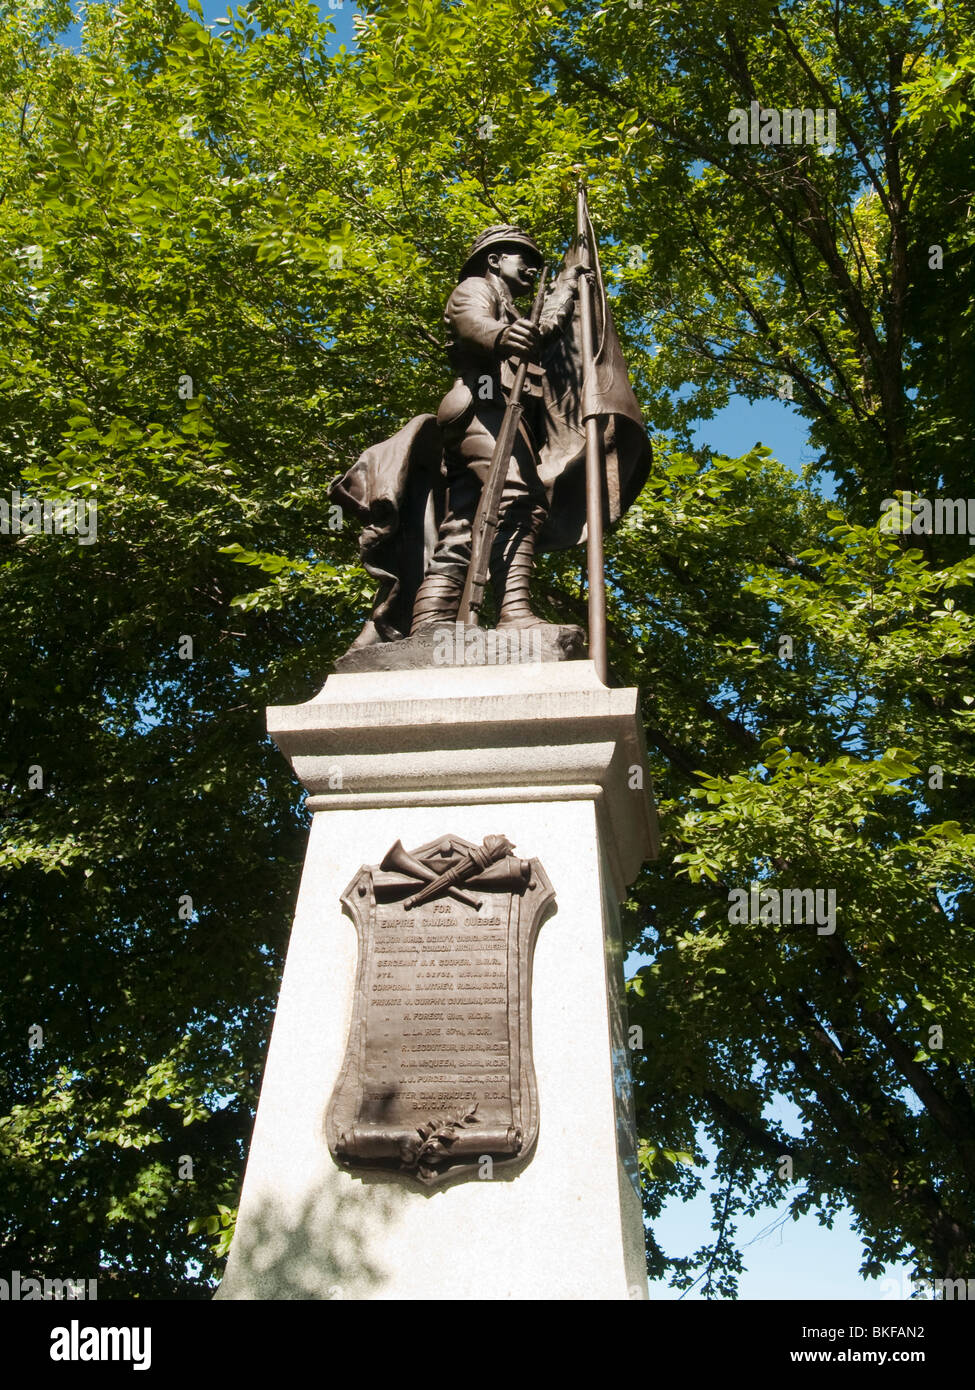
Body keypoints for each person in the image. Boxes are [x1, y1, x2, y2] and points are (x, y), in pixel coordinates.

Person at [410, 225, 587, 631]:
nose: (530, 268)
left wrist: (568, 284)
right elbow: (468, 320)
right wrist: (503, 334)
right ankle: (515, 615)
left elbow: (540, 330)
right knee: (518, 499)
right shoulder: (476, 287)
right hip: (483, 406)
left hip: (501, 411)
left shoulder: (513, 307)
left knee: (465, 521)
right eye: (523, 258)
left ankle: (430, 622)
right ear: (494, 260)